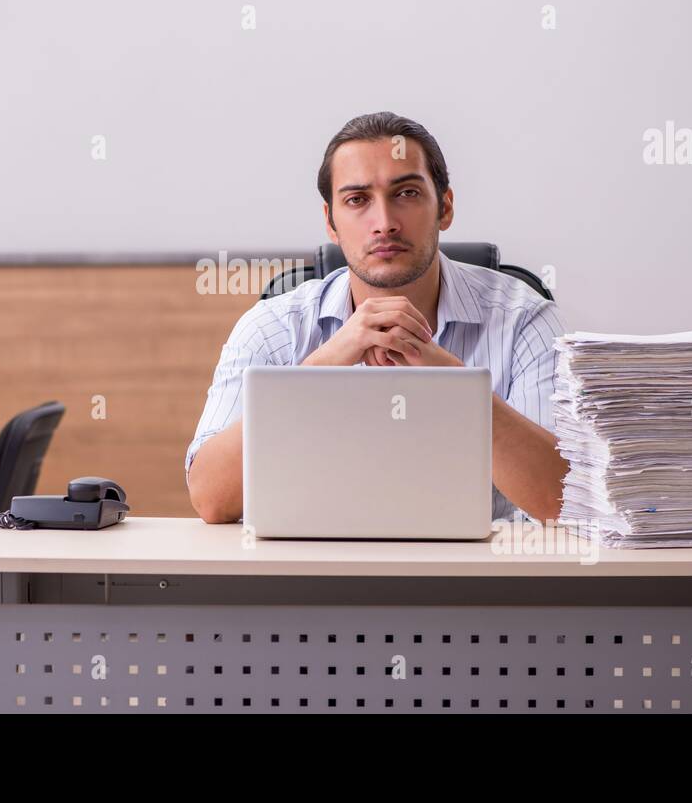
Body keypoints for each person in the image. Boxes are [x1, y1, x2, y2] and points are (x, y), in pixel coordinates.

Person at [185, 111, 570, 525]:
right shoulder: (274, 326)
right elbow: (211, 499)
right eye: (357, 200)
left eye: (406, 193)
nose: (384, 224)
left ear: (445, 208)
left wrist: (459, 390)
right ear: (331, 222)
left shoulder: (526, 321)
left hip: (482, 583)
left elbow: (565, 503)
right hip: (315, 579)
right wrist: (318, 370)